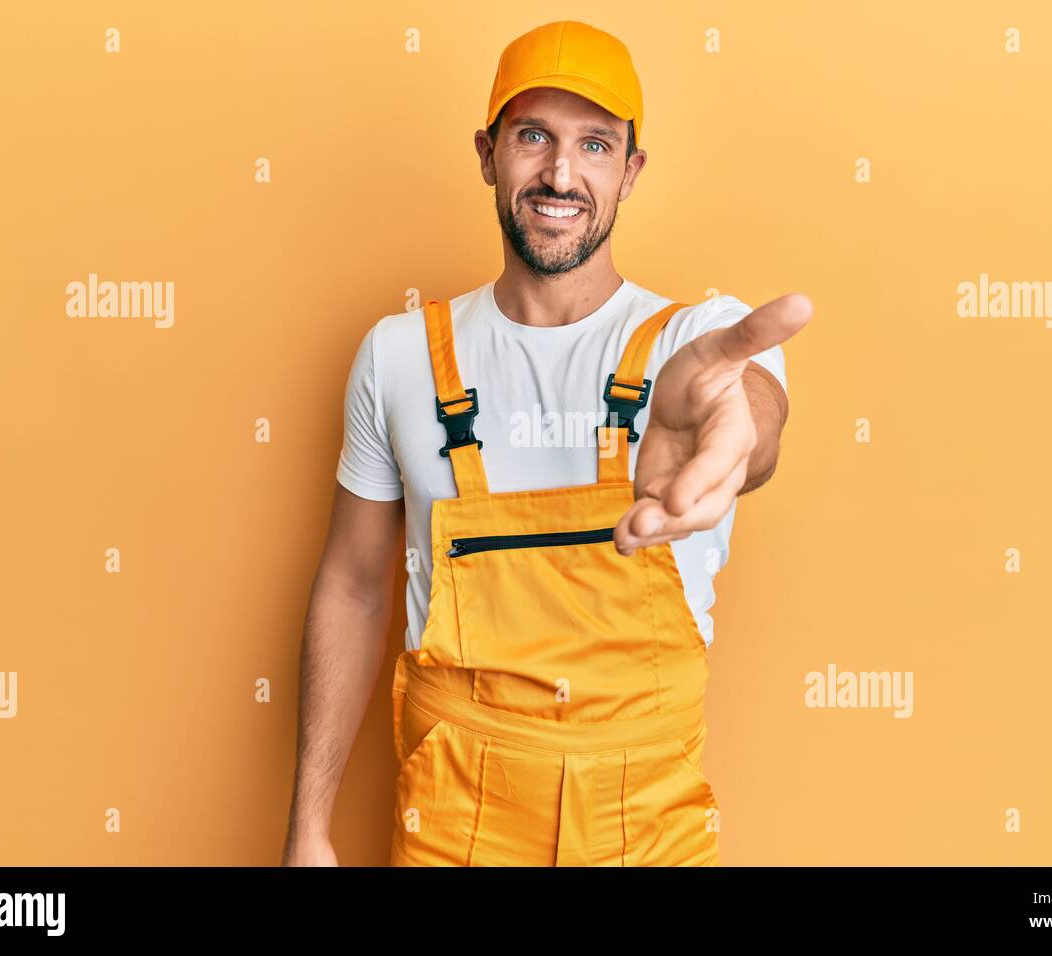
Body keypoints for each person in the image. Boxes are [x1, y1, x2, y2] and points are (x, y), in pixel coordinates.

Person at [282, 19, 813, 867]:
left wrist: (733, 436)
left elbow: (751, 417)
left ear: (631, 171)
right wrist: (308, 827)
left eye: (595, 145)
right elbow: (351, 587)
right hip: (452, 828)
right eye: (534, 136)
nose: (561, 174)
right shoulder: (399, 354)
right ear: (489, 154)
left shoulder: (703, 340)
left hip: (650, 830)